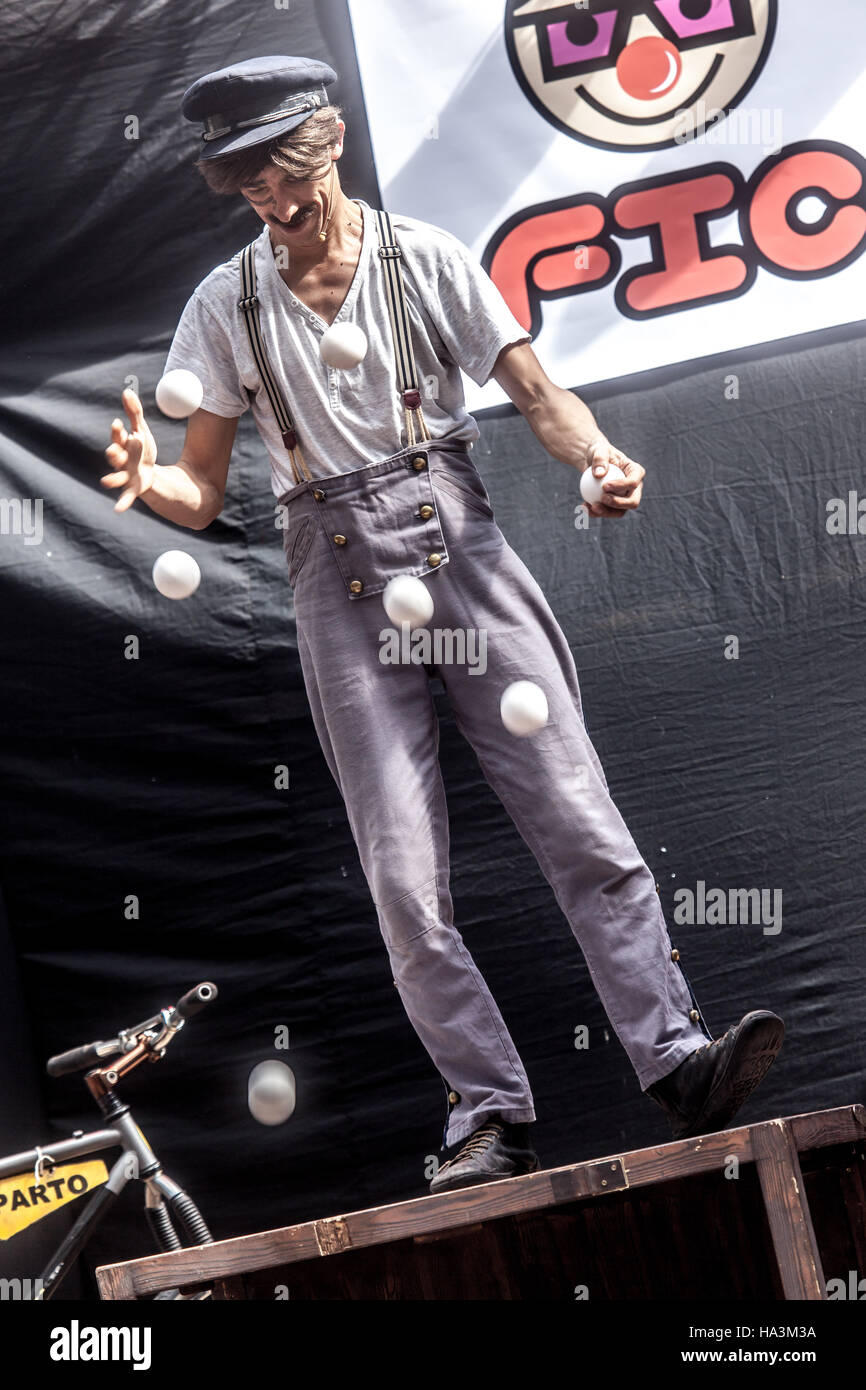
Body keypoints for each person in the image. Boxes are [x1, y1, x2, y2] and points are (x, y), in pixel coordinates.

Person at [101, 55, 784, 1195]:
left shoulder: (424, 258)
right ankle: (487, 1113)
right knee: (403, 881)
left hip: (454, 542)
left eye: (283, 175)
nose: (273, 204)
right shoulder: (225, 306)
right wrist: (143, 481)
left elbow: (534, 393)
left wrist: (600, 458)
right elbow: (201, 491)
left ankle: (676, 1059)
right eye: (246, 184)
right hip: (333, 577)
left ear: (323, 145)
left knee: (575, 812)